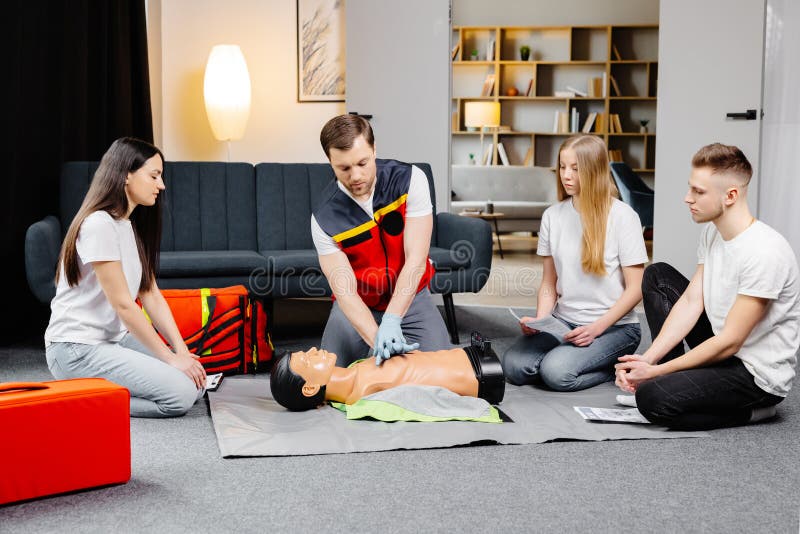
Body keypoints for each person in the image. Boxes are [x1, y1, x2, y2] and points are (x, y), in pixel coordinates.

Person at [615, 143, 800, 430]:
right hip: (722, 349)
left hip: (754, 374)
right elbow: (691, 301)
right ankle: (669, 381)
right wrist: (647, 360)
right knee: (657, 275)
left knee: (652, 400)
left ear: (731, 195)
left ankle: (755, 411)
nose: (687, 198)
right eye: (690, 188)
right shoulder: (712, 232)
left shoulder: (764, 252)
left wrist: (656, 372)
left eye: (698, 192)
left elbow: (731, 341)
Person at [44, 137, 206, 418]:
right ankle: (76, 401)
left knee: (196, 383)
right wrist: (169, 359)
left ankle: (99, 390)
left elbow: (151, 294)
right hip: (76, 348)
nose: (161, 185)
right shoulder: (98, 224)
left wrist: (180, 351)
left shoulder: (126, 226)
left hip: (112, 340)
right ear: (126, 175)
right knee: (180, 396)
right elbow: (124, 305)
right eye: (154, 176)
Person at [502, 134, 648, 391]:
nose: (566, 175)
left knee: (556, 373)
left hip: (614, 328)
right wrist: (540, 321)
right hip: (564, 323)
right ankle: (568, 358)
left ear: (594, 171)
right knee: (514, 367)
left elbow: (636, 288)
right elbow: (549, 283)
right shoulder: (552, 216)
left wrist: (596, 328)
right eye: (562, 167)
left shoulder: (623, 217)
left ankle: (610, 367)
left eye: (575, 169)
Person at [312, 114, 450, 367]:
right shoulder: (323, 217)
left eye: (362, 163)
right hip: (357, 302)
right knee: (332, 376)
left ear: (374, 149)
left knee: (439, 371)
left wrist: (392, 320)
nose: (356, 176)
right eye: (344, 168)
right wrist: (379, 341)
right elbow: (345, 292)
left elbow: (416, 260)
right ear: (330, 162)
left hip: (411, 297)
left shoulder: (410, 180)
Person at [269, 334, 504, 411]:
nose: (312, 350)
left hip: (470, 357)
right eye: (306, 360)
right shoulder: (366, 392)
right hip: (479, 375)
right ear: (310, 388)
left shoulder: (357, 370)